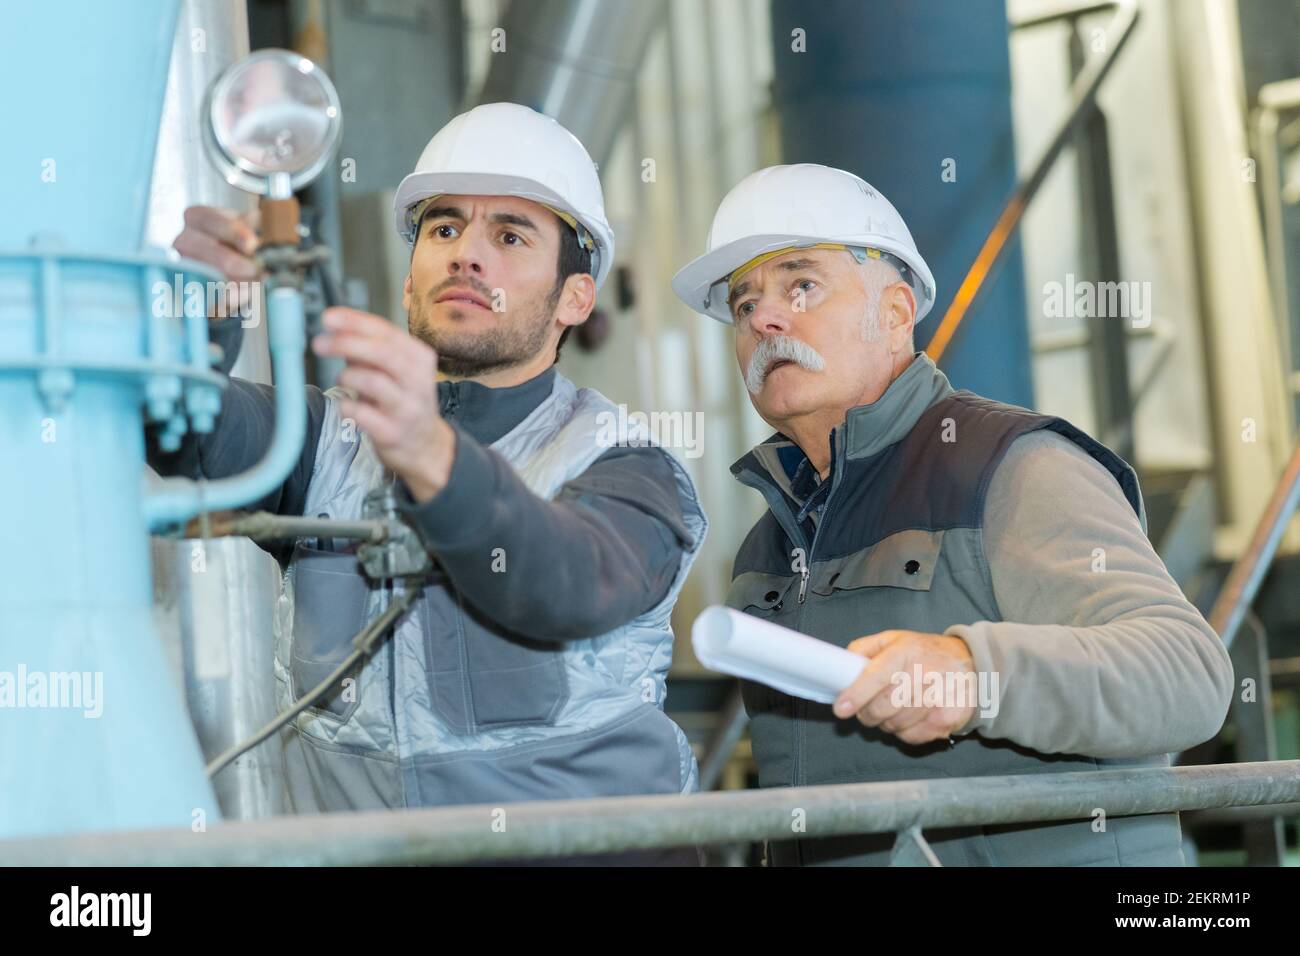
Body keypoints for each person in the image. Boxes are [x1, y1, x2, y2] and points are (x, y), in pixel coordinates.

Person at [153, 104, 707, 864]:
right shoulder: (324, 441)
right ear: (410, 281)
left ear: (575, 299)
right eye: (444, 229)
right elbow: (179, 432)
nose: (466, 256)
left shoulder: (625, 464)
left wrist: (434, 458)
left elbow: (567, 581)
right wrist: (195, 318)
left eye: (509, 236)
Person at [672, 163, 1232, 866]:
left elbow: (1189, 674)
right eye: (744, 305)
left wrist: (974, 674)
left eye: (802, 285)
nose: (764, 319)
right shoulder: (766, 546)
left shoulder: (1011, 467)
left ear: (896, 314)